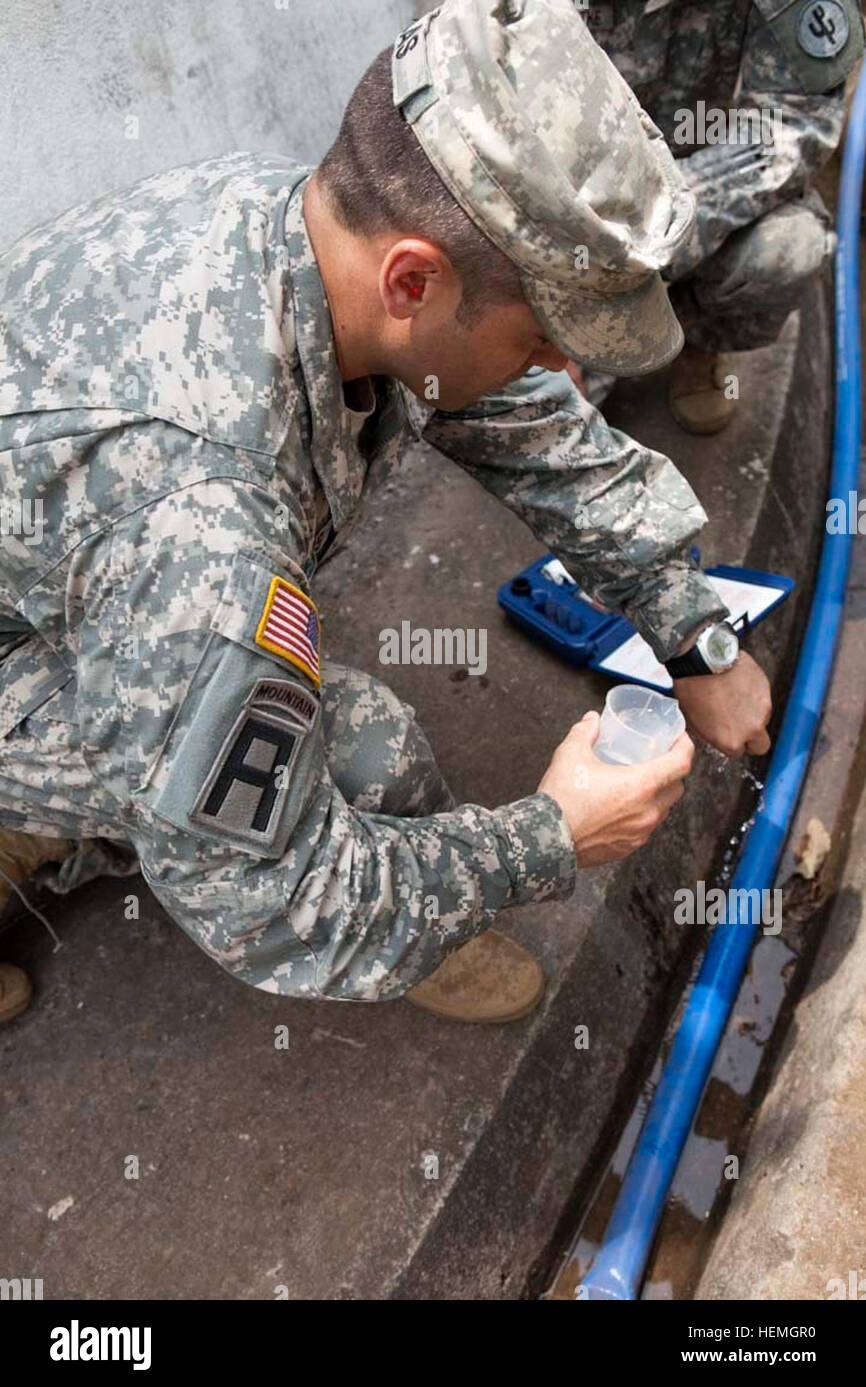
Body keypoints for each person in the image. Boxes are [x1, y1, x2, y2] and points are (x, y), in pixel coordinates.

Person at [0, 0, 771, 1025]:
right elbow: (276, 904)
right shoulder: (194, 521)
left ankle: (124, 779)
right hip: (55, 624)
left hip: (70, 573)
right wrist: (548, 839)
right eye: (542, 333)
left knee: (218, 729)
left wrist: (689, 630)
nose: (558, 367)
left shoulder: (315, 238)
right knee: (359, 749)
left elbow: (533, 429)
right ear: (413, 278)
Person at [575, 0, 863, 432]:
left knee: (791, 247)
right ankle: (575, 344)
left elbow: (791, 123)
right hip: (569, 198)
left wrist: (648, 237)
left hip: (699, 175)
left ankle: (691, 338)